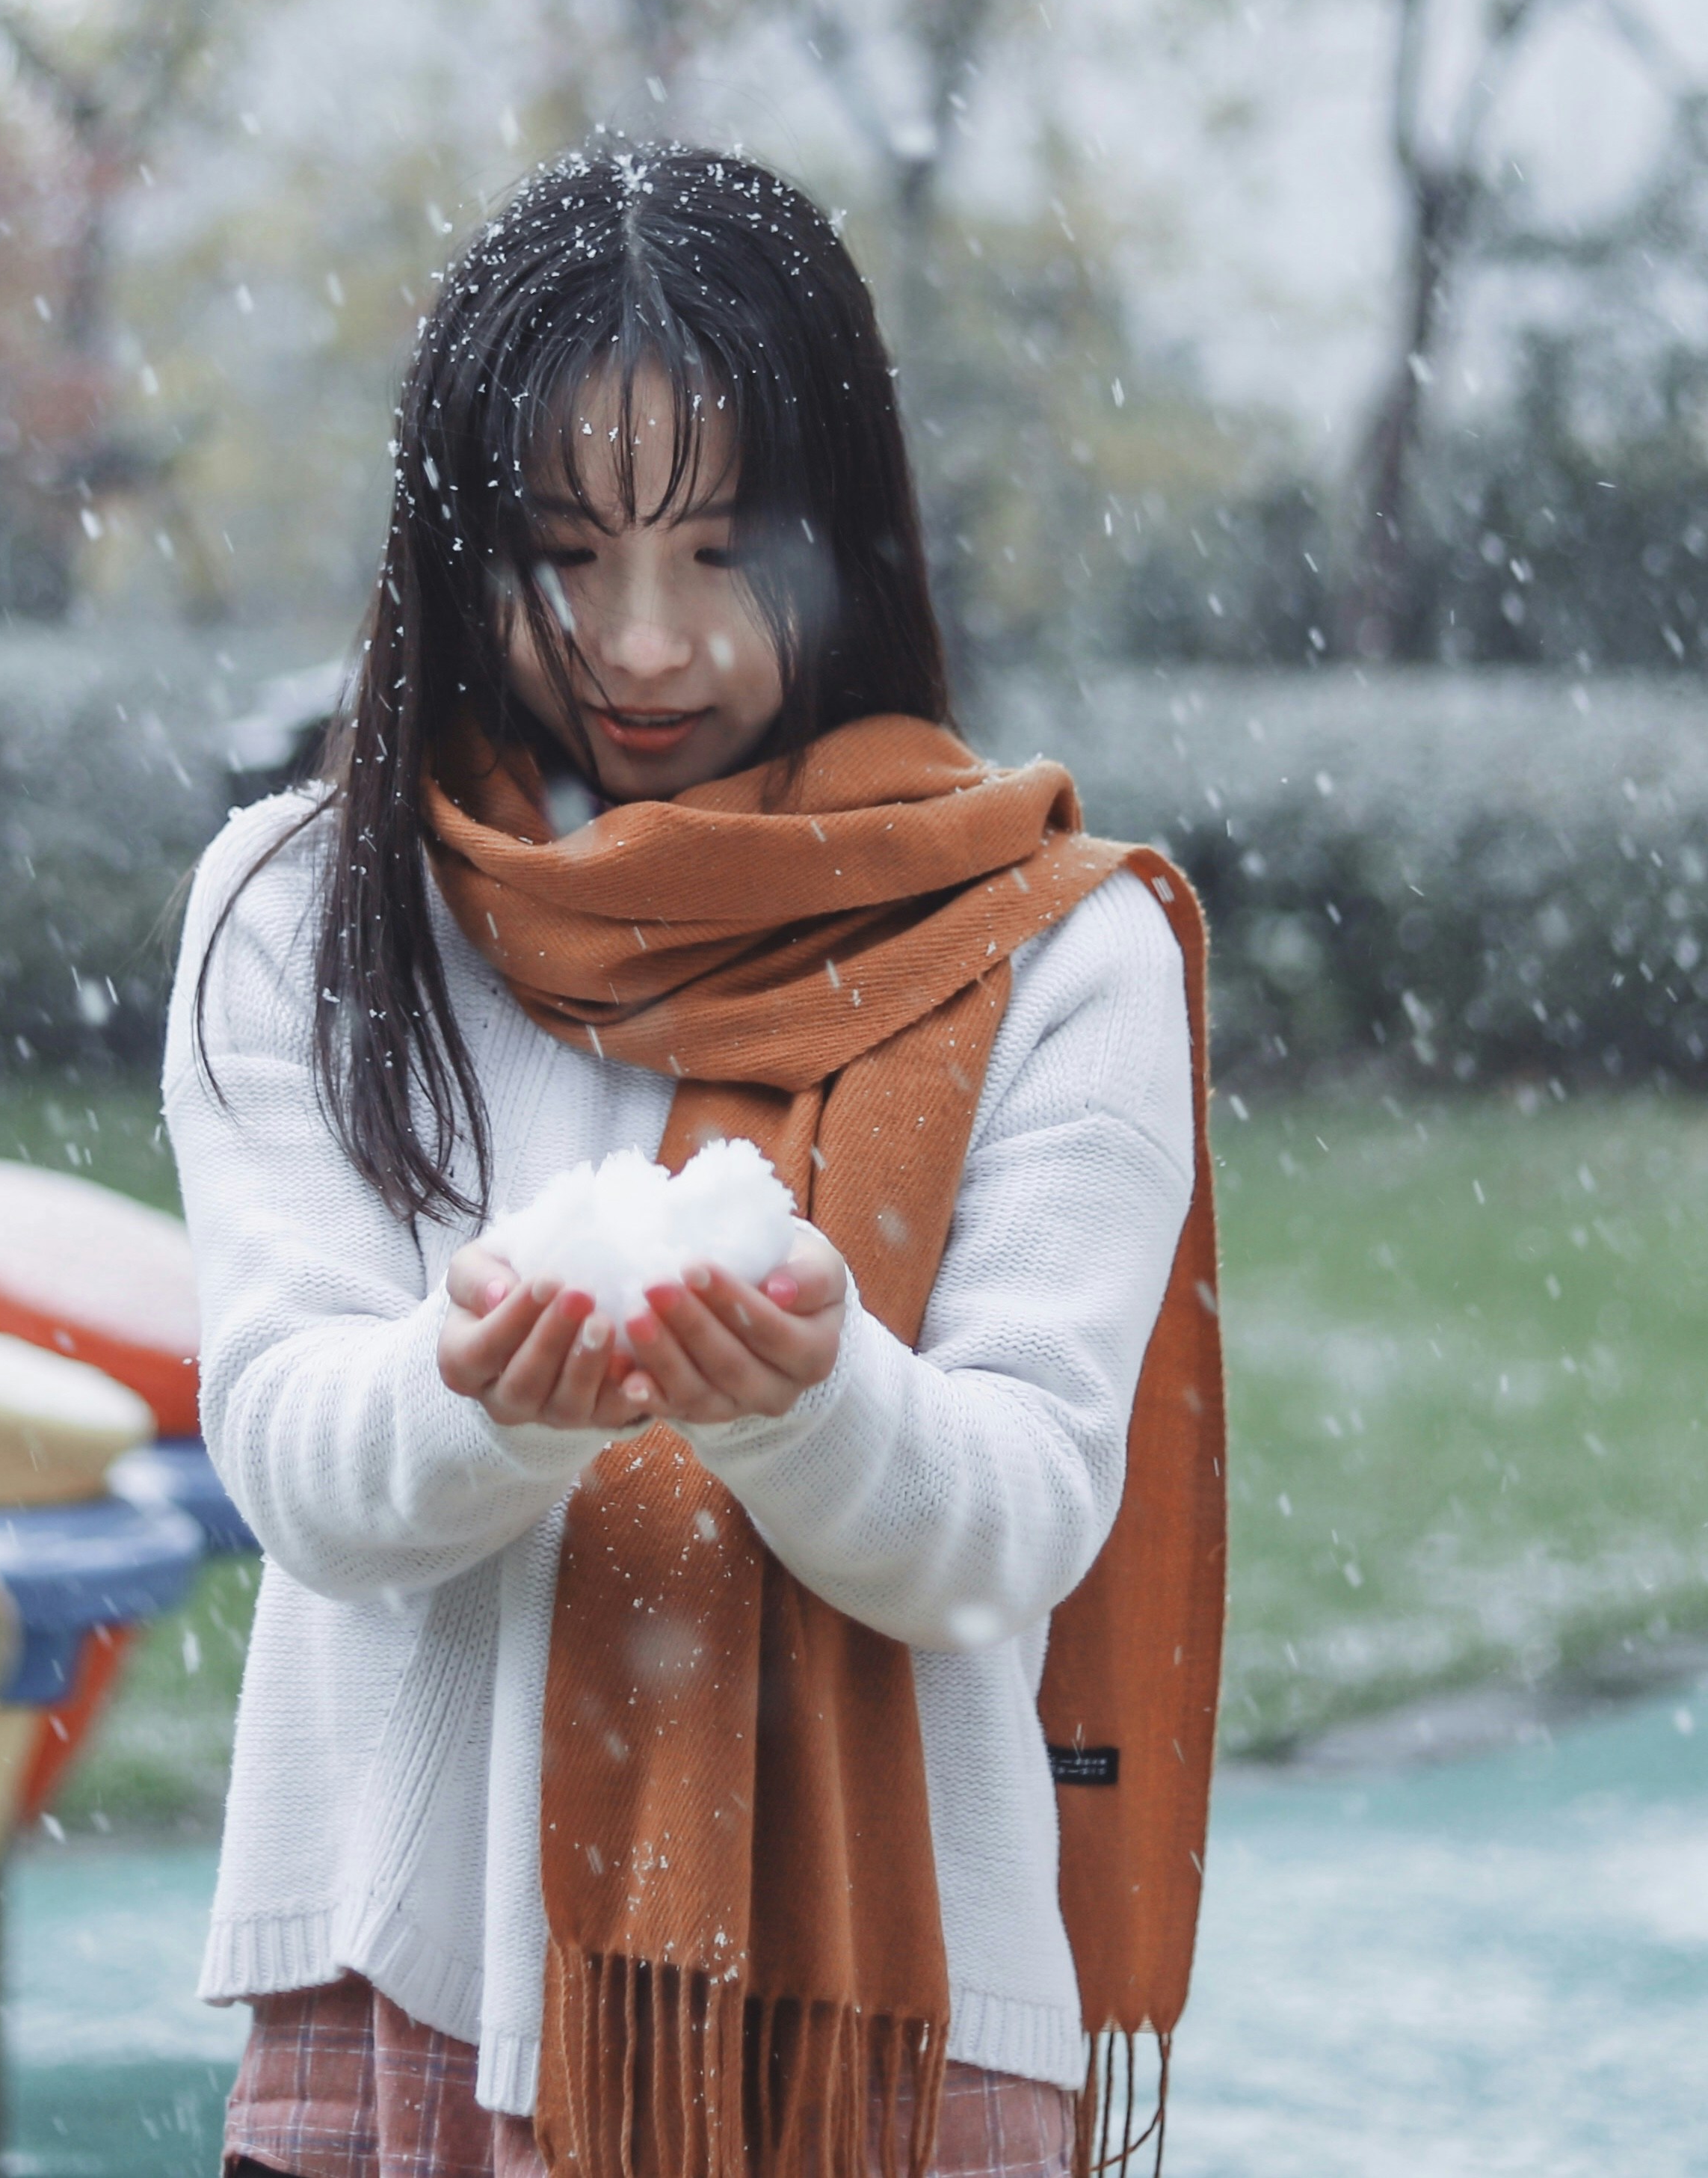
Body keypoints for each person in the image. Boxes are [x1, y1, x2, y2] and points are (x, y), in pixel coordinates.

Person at [167, 142, 1224, 2178]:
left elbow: (1013, 1515)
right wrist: (479, 1402)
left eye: (720, 548)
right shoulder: (301, 913)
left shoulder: (1054, 948)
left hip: (873, 2040)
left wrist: (808, 1405)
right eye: (567, 553)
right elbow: (295, 1455)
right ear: (450, 552)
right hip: (412, 1987)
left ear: (854, 542)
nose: (641, 642)